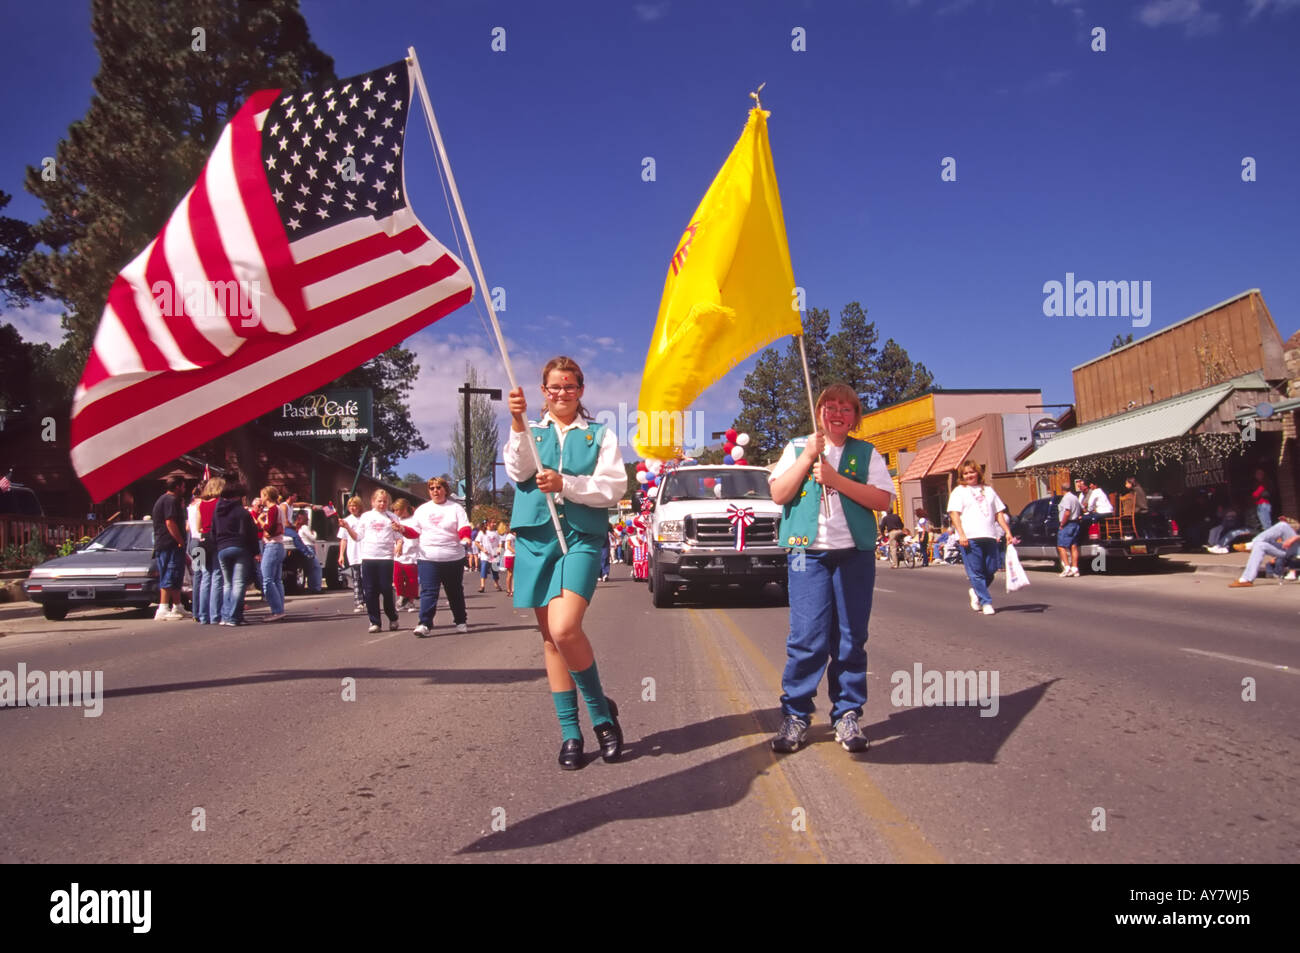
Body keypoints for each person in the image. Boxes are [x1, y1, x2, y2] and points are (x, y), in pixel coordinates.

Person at [505, 355, 628, 771]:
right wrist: (519, 423)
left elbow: (612, 488)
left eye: (569, 386)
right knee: (549, 640)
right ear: (543, 392)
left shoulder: (599, 435)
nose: (561, 393)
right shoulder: (530, 429)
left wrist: (567, 484)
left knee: (565, 627)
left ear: (581, 391)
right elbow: (518, 470)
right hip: (536, 537)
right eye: (554, 387)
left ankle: (601, 717)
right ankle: (570, 732)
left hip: (580, 536)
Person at [767, 384, 894, 754]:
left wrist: (836, 480)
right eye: (830, 406)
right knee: (808, 638)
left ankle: (847, 713)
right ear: (818, 410)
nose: (837, 413)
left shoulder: (865, 453)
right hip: (809, 554)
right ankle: (796, 714)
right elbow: (779, 494)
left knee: (852, 636)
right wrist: (807, 457)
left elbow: (883, 499)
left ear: (855, 417)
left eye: (846, 408)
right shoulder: (796, 447)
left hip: (854, 553)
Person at [338, 489, 419, 633]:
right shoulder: (366, 516)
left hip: (385, 558)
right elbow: (357, 537)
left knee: (386, 589)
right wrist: (347, 527)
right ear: (372, 502)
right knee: (370, 591)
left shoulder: (392, 516)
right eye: (379, 501)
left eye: (385, 501)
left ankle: (392, 617)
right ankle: (374, 621)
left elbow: (399, 536)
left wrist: (399, 544)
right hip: (368, 557)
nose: (382, 504)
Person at [947, 460, 1019, 615]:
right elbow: (955, 514)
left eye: (971, 472)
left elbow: (999, 513)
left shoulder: (988, 490)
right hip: (970, 537)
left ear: (978, 473)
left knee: (991, 569)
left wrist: (1007, 532)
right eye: (965, 473)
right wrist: (961, 534)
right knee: (976, 572)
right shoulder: (959, 491)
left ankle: (976, 591)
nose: (969, 475)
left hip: (990, 535)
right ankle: (986, 602)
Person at [409, 477, 471, 637]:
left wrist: (465, 537)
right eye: (432, 488)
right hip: (427, 557)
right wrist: (402, 529)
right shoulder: (422, 510)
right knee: (428, 591)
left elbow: (464, 527)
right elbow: (414, 531)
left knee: (454, 591)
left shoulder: (456, 508)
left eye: (438, 487)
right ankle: (424, 623)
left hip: (452, 557)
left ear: (445, 489)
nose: (435, 491)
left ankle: (460, 621)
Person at [212, 483, 258, 626]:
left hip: (222, 548)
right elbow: (251, 533)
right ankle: (234, 616)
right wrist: (256, 551)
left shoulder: (217, 511)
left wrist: (217, 546)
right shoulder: (242, 512)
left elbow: (213, 531)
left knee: (227, 584)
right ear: (237, 497)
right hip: (239, 547)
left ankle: (225, 616)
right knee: (238, 583)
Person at [151, 475, 188, 621]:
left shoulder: (171, 500)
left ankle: (177, 606)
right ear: (177, 486)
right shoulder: (170, 500)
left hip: (170, 544)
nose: (185, 489)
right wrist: (180, 540)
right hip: (169, 544)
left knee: (176, 574)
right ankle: (163, 607)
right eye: (184, 486)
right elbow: (170, 522)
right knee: (169, 573)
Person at [191, 477, 226, 623]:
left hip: (202, 541)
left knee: (205, 577)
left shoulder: (201, 505)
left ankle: (203, 614)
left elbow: (198, 526)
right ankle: (214, 615)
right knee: (217, 576)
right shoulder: (220, 504)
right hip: (216, 540)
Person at [1228, 518, 1300, 587]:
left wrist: (1295, 538)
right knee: (1260, 545)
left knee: (1283, 525)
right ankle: (1246, 579)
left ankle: (1251, 545)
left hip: (1296, 550)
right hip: (1290, 550)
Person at [255, 486, 287, 621]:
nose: (261, 498)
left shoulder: (273, 509)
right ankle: (280, 609)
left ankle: (276, 610)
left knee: (267, 579)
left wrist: (261, 520)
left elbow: (270, 528)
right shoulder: (278, 509)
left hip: (272, 545)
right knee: (276, 579)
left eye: (262, 495)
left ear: (267, 496)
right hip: (279, 545)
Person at [391, 498, 421, 611]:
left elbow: (416, 534)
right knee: (397, 578)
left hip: (412, 554)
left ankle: (411, 602)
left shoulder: (414, 520)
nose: (395, 513)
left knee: (411, 580)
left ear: (404, 509)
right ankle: (402, 596)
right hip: (398, 554)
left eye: (397, 510)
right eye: (393, 510)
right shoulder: (395, 520)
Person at [337, 496, 365, 612]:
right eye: (350, 506)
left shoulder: (365, 518)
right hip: (353, 554)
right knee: (356, 578)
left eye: (355, 506)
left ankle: (369, 600)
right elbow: (343, 539)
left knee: (366, 578)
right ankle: (359, 602)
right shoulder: (346, 521)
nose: (353, 508)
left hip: (365, 553)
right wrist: (341, 555)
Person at [288, 511, 323, 593]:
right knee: (316, 568)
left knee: (311, 568)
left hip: (305, 546)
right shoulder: (304, 527)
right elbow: (313, 538)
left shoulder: (299, 528)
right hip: (309, 547)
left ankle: (313, 587)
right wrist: (314, 533)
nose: (308, 519)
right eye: (306, 517)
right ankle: (316, 588)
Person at [1055, 477, 1083, 577]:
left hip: (1068, 524)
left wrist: (1062, 524)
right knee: (1073, 546)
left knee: (1061, 546)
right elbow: (1081, 508)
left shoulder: (1066, 498)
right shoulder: (1075, 497)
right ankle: (1075, 568)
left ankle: (1067, 567)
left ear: (1062, 490)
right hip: (1075, 523)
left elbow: (1067, 512)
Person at [477, 519, 503, 593]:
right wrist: (483, 549)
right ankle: (482, 586)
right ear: (488, 524)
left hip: (494, 554)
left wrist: (499, 548)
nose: (494, 524)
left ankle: (496, 584)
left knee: (495, 570)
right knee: (484, 569)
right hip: (485, 555)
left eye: (494, 522)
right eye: (492, 523)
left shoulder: (496, 532)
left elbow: (500, 542)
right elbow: (477, 542)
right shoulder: (482, 532)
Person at [499, 522, 516, 596]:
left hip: (513, 556)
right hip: (509, 556)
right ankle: (509, 589)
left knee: (513, 574)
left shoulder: (514, 536)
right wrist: (515, 552)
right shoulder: (509, 536)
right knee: (510, 573)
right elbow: (508, 546)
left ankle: (512, 589)